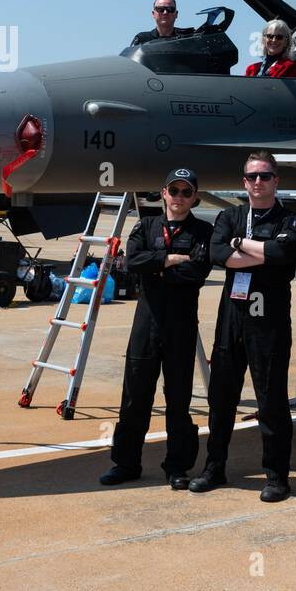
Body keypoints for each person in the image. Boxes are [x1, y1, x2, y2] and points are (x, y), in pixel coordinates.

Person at [191, 152, 296, 501]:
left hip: (268, 323)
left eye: (266, 176)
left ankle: (276, 476)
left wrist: (240, 245)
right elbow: (217, 253)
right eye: (253, 176)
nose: (259, 182)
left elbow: (283, 254)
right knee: (221, 396)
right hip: (232, 319)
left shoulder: (290, 219)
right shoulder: (230, 215)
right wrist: (259, 252)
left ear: (276, 180)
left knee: (271, 399)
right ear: (244, 182)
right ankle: (215, 467)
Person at [100, 168, 213, 489]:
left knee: (178, 399)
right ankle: (126, 462)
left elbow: (198, 271)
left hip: (180, 326)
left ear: (195, 198)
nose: (179, 197)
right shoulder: (146, 225)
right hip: (145, 325)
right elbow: (131, 262)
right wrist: (168, 260)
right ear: (163, 193)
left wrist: (158, 266)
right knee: (135, 396)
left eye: (186, 192)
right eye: (174, 191)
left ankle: (177, 466)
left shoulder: (203, 230)